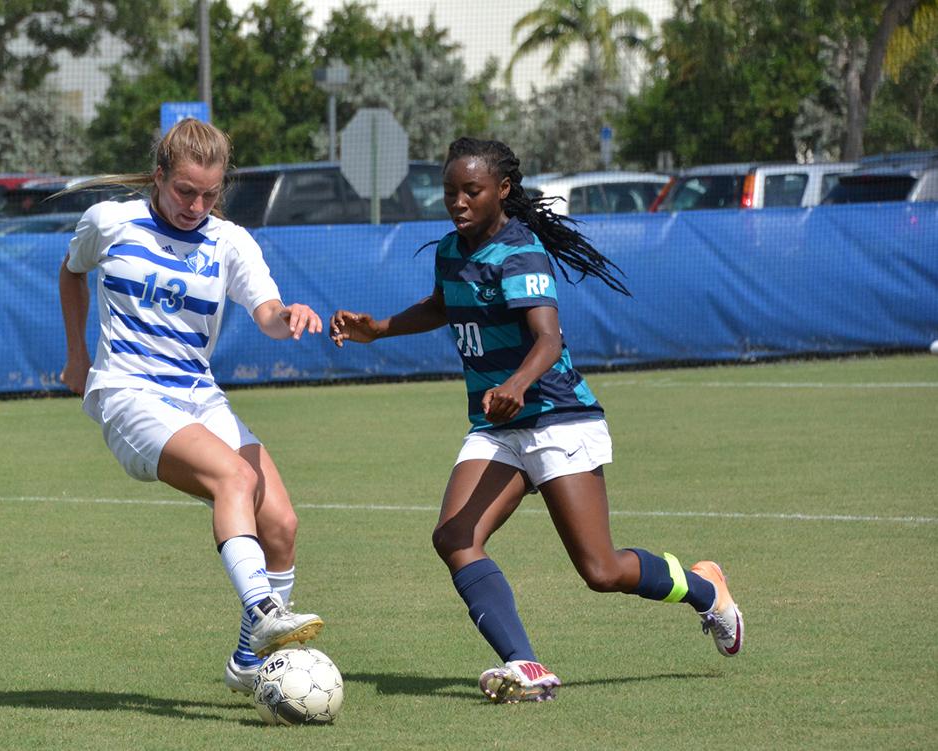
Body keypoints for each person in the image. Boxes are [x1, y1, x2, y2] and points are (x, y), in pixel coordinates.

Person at [328, 136, 743, 704]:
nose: (458, 201)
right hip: (498, 425)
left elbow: (548, 340)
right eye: (450, 191)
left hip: (556, 419)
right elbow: (444, 305)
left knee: (600, 570)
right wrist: (380, 328)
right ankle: (525, 664)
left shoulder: (520, 251)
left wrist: (516, 386)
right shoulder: (452, 249)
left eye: (471, 190)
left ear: (502, 190)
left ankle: (706, 589)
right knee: (454, 536)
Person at [59, 119, 326, 695]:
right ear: (159, 177)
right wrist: (77, 355)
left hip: (198, 396)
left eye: (209, 194)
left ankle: (247, 664)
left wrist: (291, 318)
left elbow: (268, 313)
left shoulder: (229, 241)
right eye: (185, 190)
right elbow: (72, 271)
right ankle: (263, 612)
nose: (196, 205)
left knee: (280, 523)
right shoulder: (110, 222)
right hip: (128, 393)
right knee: (235, 476)